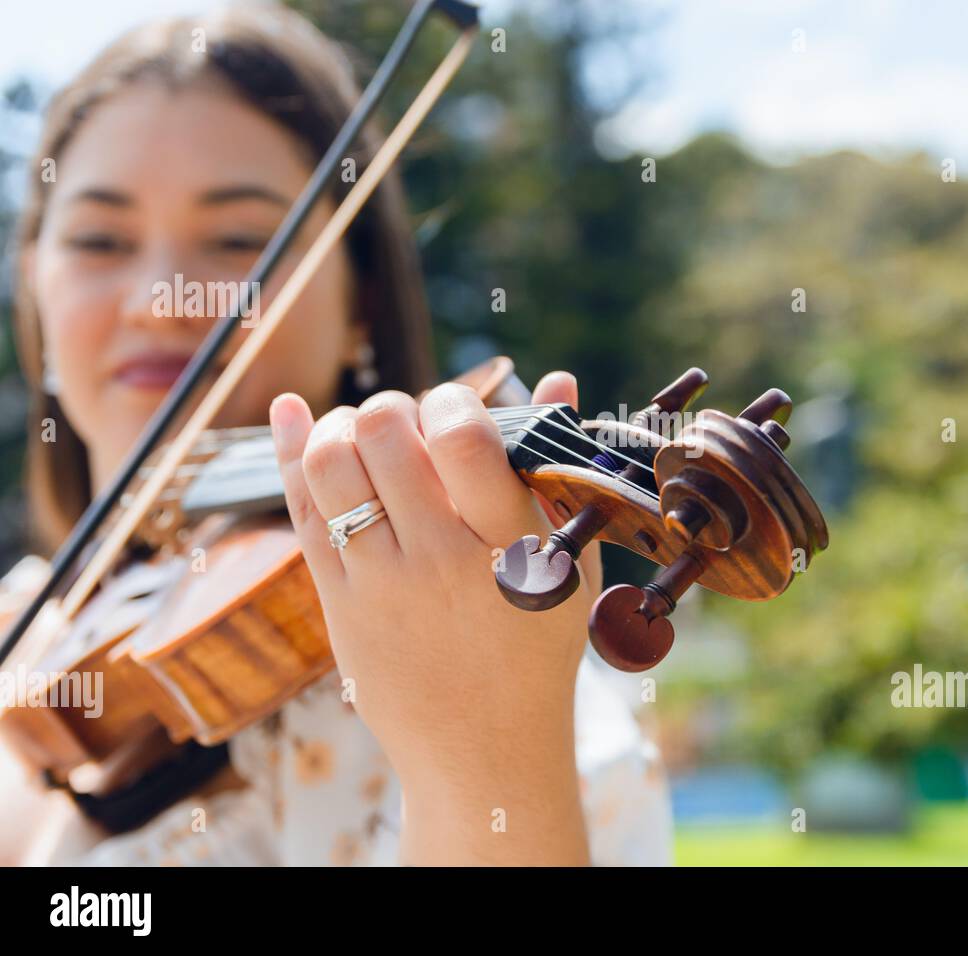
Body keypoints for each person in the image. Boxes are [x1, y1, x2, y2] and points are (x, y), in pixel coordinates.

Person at [0, 2, 672, 866]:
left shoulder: (462, 662)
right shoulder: (32, 619)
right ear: (36, 296)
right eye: (99, 239)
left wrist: (488, 760)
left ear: (361, 300)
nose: (162, 298)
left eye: (241, 237)